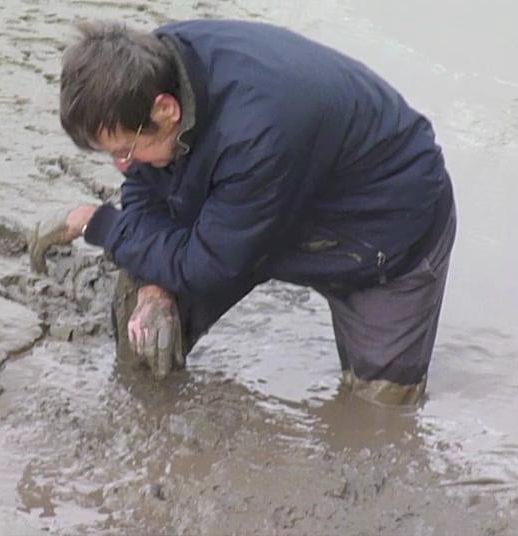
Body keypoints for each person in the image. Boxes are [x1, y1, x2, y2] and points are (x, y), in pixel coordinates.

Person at [43, 19, 456, 406]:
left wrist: (101, 225)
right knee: (146, 320)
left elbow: (207, 267)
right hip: (257, 200)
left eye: (125, 150)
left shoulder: (257, 133)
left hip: (381, 228)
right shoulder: (151, 73)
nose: (122, 166)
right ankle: (152, 419)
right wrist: (153, 284)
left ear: (166, 110)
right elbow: (146, 188)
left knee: (378, 414)